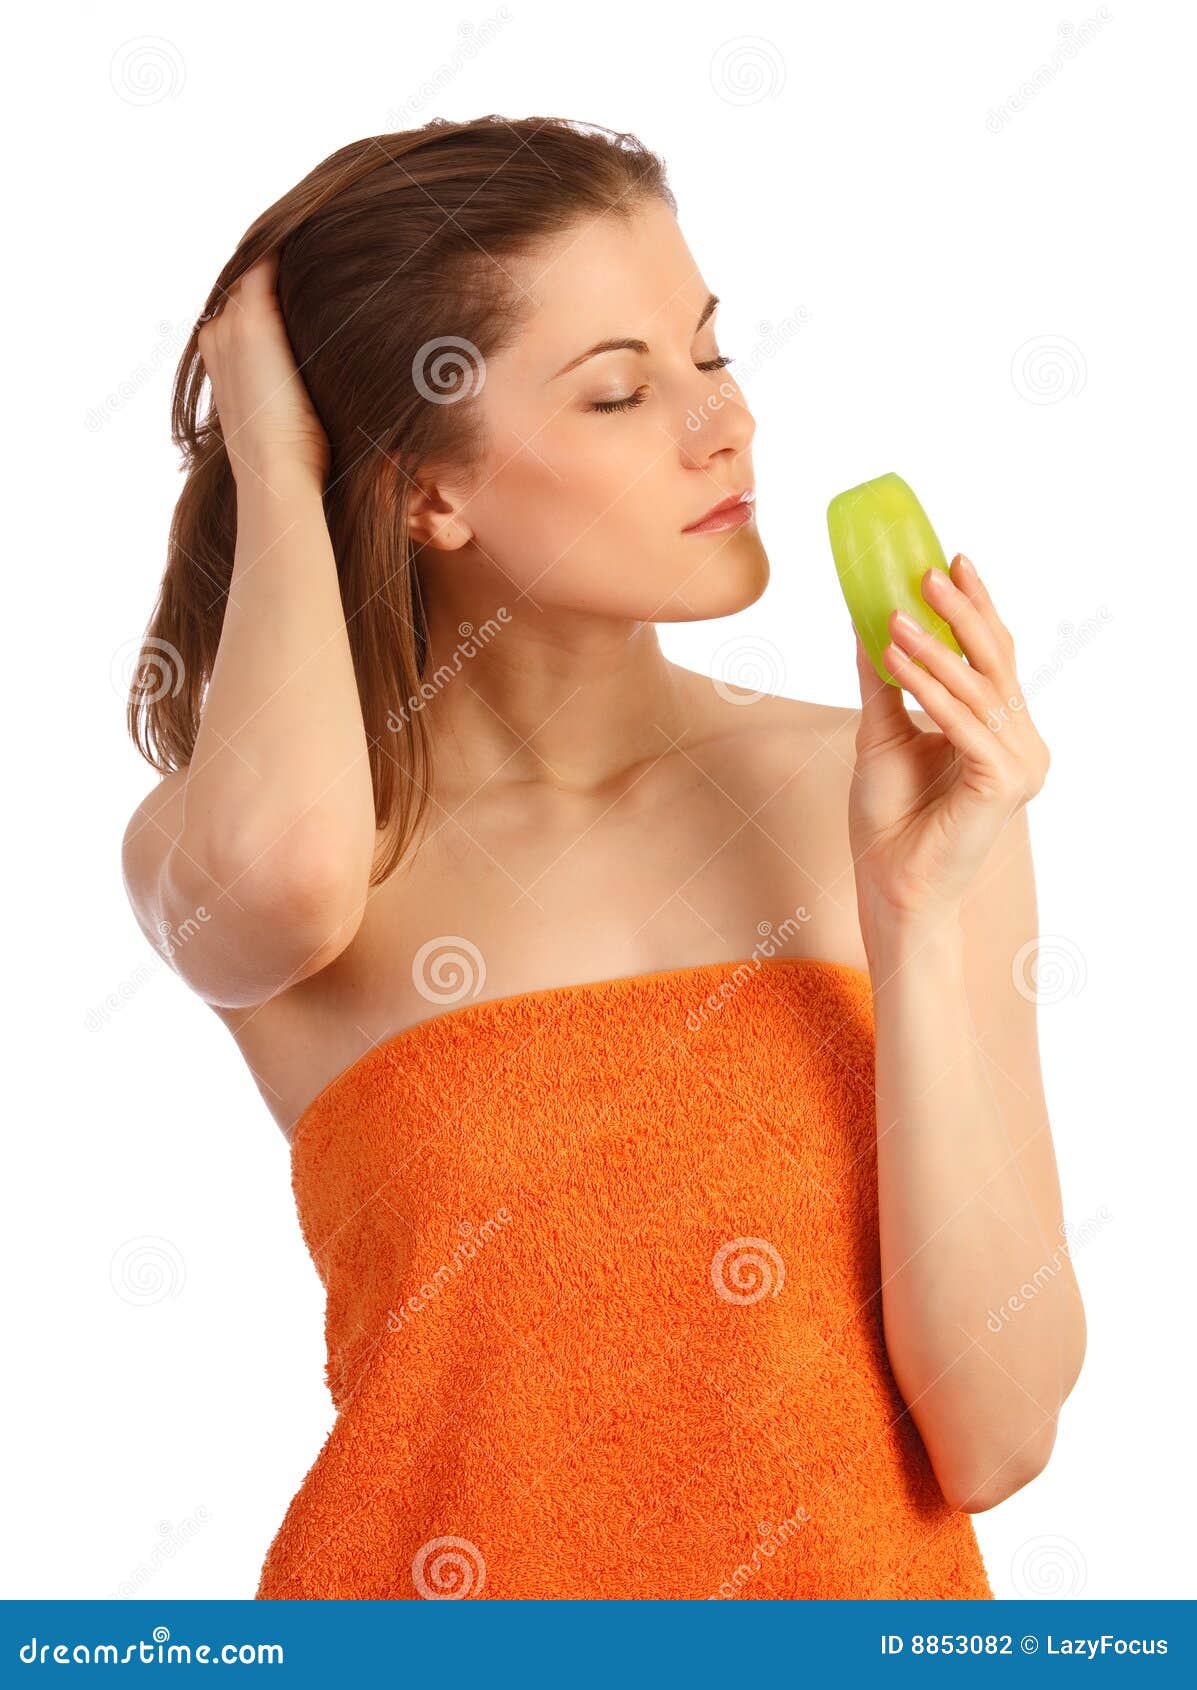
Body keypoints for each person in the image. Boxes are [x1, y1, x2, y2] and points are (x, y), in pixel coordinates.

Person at [120, 115, 1085, 1600]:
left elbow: (996, 1432)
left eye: (708, 354)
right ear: (424, 491)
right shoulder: (275, 849)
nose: (724, 427)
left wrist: (915, 909)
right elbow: (283, 869)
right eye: (621, 392)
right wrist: (268, 436)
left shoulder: (888, 795)